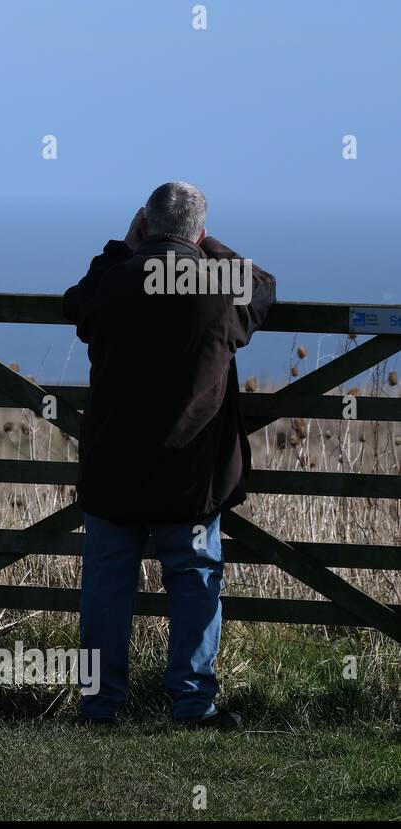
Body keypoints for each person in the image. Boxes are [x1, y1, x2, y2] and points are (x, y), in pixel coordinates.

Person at [62, 181, 276, 729]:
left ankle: (100, 704)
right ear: (199, 233)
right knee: (195, 577)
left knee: (108, 583)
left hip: (116, 465)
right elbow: (263, 284)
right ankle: (193, 703)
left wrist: (124, 247)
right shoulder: (222, 286)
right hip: (193, 469)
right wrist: (206, 246)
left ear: (144, 225)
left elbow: (77, 301)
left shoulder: (114, 281)